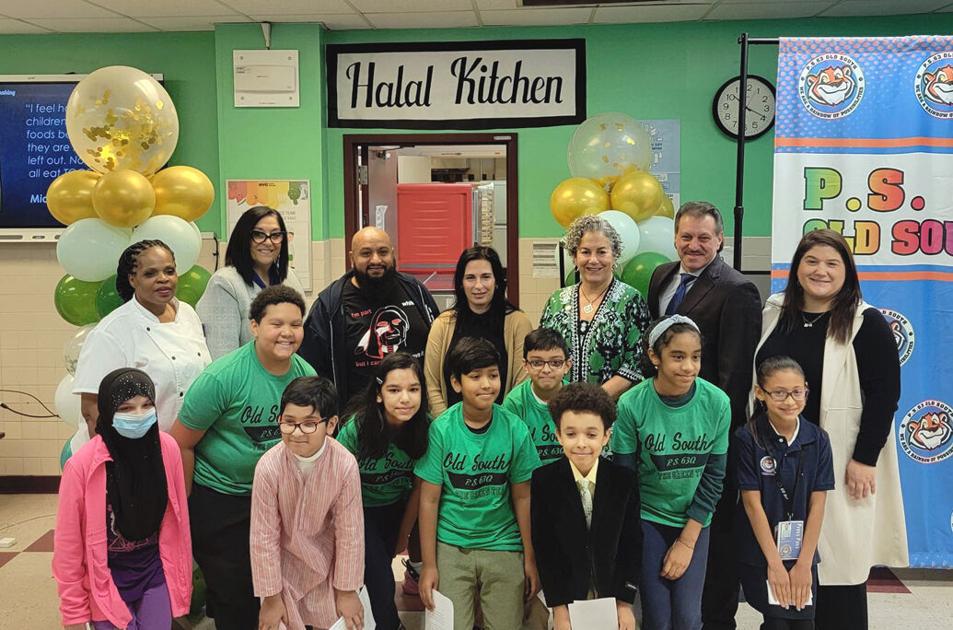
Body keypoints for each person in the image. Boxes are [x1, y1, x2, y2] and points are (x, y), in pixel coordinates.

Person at [754, 229, 906, 630]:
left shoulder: (865, 323)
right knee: (785, 565)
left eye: (832, 263)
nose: (820, 271)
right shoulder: (774, 312)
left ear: (847, 272)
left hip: (835, 460)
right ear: (797, 267)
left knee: (838, 567)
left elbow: (884, 395)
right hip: (775, 460)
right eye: (812, 261)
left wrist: (863, 459)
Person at [169, 285, 316, 630]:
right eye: (276, 323)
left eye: (295, 324)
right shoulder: (223, 377)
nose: (287, 333)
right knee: (235, 592)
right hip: (221, 497)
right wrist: (187, 509)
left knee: (274, 588)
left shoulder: (306, 376)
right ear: (254, 326)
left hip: (276, 498)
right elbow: (181, 443)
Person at [645, 201, 762, 630]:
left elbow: (734, 376)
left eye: (704, 238)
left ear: (721, 240)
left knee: (714, 528)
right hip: (661, 422)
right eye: (686, 237)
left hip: (706, 431)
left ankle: (717, 619)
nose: (694, 245)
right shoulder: (662, 276)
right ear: (675, 238)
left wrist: (713, 434)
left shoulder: (737, 290)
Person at [610, 315, 731, 630]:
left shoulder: (717, 403)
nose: (689, 367)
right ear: (655, 357)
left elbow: (714, 477)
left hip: (694, 520)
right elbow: (625, 478)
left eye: (696, 357)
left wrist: (688, 540)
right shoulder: (631, 404)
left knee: (688, 619)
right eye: (678, 357)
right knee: (658, 619)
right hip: (648, 518)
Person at [415, 337, 542, 630]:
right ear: (456, 383)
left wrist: (529, 558)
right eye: (475, 377)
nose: (487, 384)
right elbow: (429, 500)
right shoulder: (441, 430)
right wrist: (429, 564)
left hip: (503, 544)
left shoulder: (514, 429)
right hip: (451, 545)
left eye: (493, 375)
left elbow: (523, 498)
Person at [53, 368, 192, 630]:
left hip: (154, 571)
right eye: (126, 409)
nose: (138, 415)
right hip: (106, 580)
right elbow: (68, 547)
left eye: (146, 405)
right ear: (106, 412)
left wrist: (182, 581)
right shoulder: (82, 466)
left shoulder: (167, 450)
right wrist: (73, 613)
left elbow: (178, 523)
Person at [250, 376, 365, 630]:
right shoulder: (268, 467)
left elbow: (350, 532)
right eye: (289, 423)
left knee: (341, 620)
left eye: (309, 424)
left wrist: (346, 590)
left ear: (331, 424)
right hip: (282, 569)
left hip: (327, 564)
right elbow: (263, 536)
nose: (297, 433)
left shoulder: (344, 465)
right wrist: (270, 597)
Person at [531, 382, 641, 630]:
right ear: (558, 435)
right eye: (571, 434)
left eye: (591, 435)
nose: (581, 443)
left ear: (606, 436)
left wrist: (625, 603)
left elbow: (631, 545)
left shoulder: (623, 480)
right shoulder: (544, 481)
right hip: (568, 594)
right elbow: (546, 549)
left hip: (611, 591)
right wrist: (559, 609)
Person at [735, 356, 834, 630]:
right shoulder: (748, 438)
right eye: (779, 393)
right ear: (760, 393)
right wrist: (775, 564)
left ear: (806, 390)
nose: (790, 401)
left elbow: (818, 505)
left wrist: (804, 565)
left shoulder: (818, 439)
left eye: (796, 392)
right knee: (778, 622)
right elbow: (752, 505)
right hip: (762, 551)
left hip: (802, 553)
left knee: (804, 623)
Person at [74, 239, 210, 437]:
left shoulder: (187, 314)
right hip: (131, 450)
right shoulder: (111, 332)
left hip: (185, 445)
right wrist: (115, 461)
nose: (163, 279)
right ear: (132, 279)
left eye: (169, 271)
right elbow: (91, 408)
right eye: (150, 273)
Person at [336, 352, 429, 630]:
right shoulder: (357, 428)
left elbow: (419, 489)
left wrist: (404, 533)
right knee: (380, 576)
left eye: (413, 389)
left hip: (397, 507)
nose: (405, 398)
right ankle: (389, 624)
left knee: (378, 569)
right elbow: (337, 485)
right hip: (358, 510)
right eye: (394, 390)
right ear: (378, 394)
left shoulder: (427, 428)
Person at [300, 226, 439, 406]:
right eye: (366, 253)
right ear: (352, 258)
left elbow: (438, 349)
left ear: (392, 254)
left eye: (383, 252)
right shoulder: (330, 306)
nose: (376, 260)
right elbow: (312, 371)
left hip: (415, 416)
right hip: (357, 420)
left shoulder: (415, 291)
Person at [541, 215, 651, 398]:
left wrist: (593, 400)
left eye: (601, 252)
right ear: (574, 257)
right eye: (585, 252)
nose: (593, 260)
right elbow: (542, 354)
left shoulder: (631, 300)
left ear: (614, 255)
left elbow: (637, 363)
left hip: (611, 414)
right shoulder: (556, 301)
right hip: (561, 409)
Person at [425, 245, 533, 415]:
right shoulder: (442, 324)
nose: (478, 285)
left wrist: (499, 428)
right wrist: (446, 427)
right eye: (470, 278)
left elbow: (521, 385)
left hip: (502, 430)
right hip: (450, 432)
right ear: (461, 283)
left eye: (486, 277)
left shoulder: (518, 323)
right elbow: (432, 384)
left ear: (497, 281)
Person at [196, 205, 305, 360]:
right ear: (244, 238)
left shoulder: (289, 277)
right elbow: (222, 357)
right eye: (259, 234)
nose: (268, 242)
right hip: (245, 381)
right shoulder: (225, 283)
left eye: (275, 235)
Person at [502, 327, 573, 466]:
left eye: (555, 363)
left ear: (567, 365)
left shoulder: (577, 399)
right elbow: (511, 457)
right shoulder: (514, 403)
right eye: (537, 363)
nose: (546, 370)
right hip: (528, 479)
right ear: (525, 365)